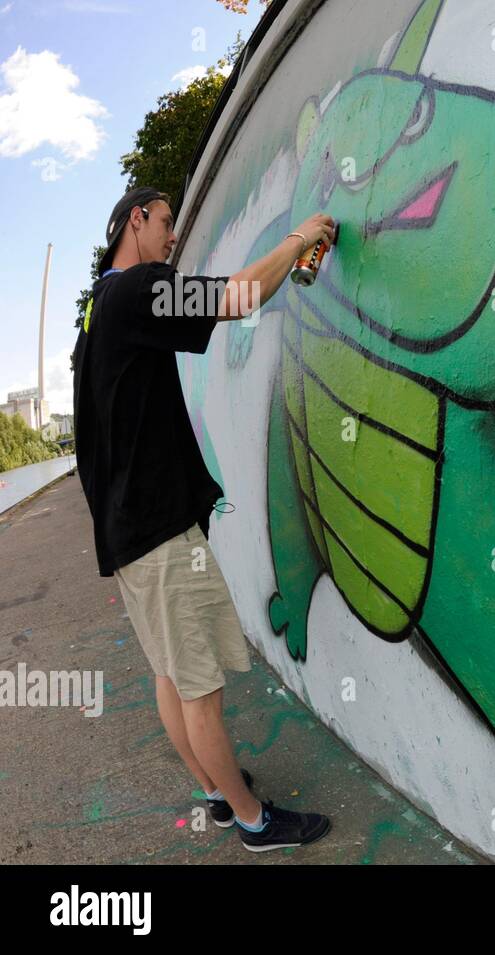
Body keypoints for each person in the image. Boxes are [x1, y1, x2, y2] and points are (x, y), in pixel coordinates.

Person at [72, 185, 335, 852]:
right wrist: (299, 239)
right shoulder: (137, 291)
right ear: (135, 219)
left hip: (126, 534)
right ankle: (254, 820)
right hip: (158, 534)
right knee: (201, 691)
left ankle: (216, 793)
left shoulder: (98, 312)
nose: (171, 239)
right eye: (163, 223)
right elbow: (238, 297)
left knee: (169, 672)